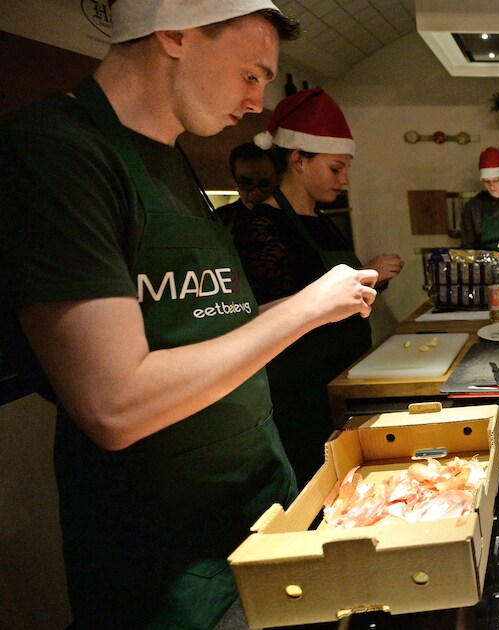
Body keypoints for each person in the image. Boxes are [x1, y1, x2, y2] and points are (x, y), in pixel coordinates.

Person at [0, 2, 384, 627]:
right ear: (175, 32)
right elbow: (116, 404)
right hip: (166, 562)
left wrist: (300, 305)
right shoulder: (54, 152)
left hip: (261, 513)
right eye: (251, 73)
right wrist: (303, 311)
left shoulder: (172, 159)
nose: (258, 103)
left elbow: (206, 322)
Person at [234, 86, 404, 482]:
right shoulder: (261, 223)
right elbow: (272, 314)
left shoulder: (321, 219)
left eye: (346, 168)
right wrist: (365, 273)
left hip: (343, 380)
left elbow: (337, 296)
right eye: (335, 168)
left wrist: (370, 277)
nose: (344, 179)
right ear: (298, 159)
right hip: (303, 392)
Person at [214, 141, 279, 226]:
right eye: (246, 183)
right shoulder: (219, 219)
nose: (256, 192)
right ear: (233, 180)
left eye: (263, 184)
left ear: (277, 179)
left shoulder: (293, 219)